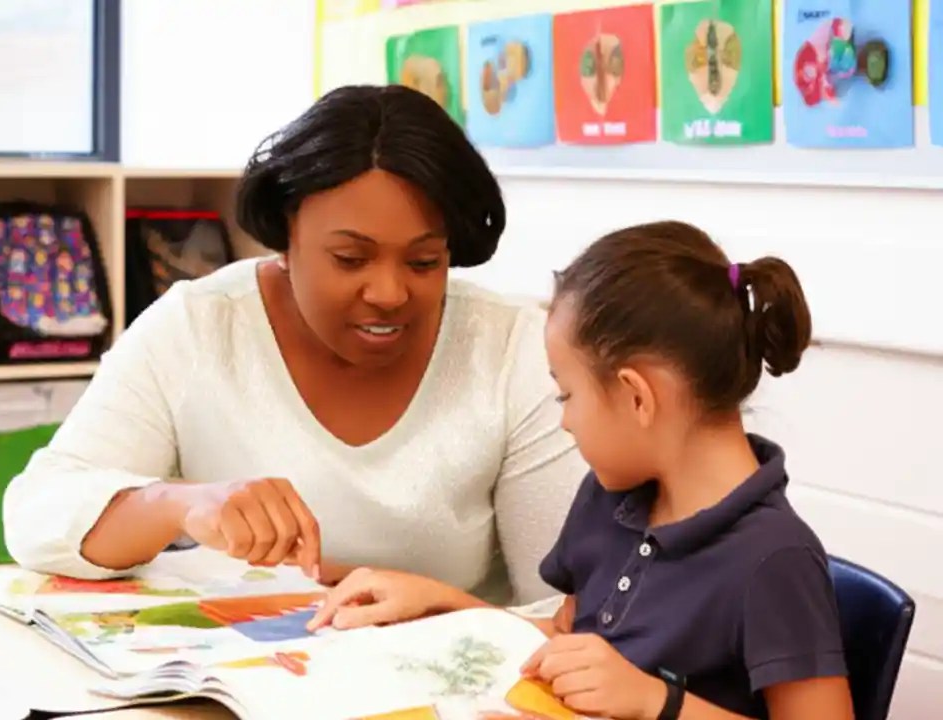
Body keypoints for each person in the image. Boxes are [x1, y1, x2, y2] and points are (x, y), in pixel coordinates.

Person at [2, 84, 586, 606]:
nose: (388, 292)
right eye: (350, 259)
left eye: (424, 262)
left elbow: (572, 608)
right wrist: (177, 503)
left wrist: (439, 607)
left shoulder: (515, 349)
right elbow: (36, 516)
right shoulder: (198, 327)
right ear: (285, 236)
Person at [308, 221, 854, 720]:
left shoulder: (775, 560)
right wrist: (438, 602)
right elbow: (565, 641)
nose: (564, 420)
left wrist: (655, 701)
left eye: (567, 394)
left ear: (637, 397)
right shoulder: (610, 500)